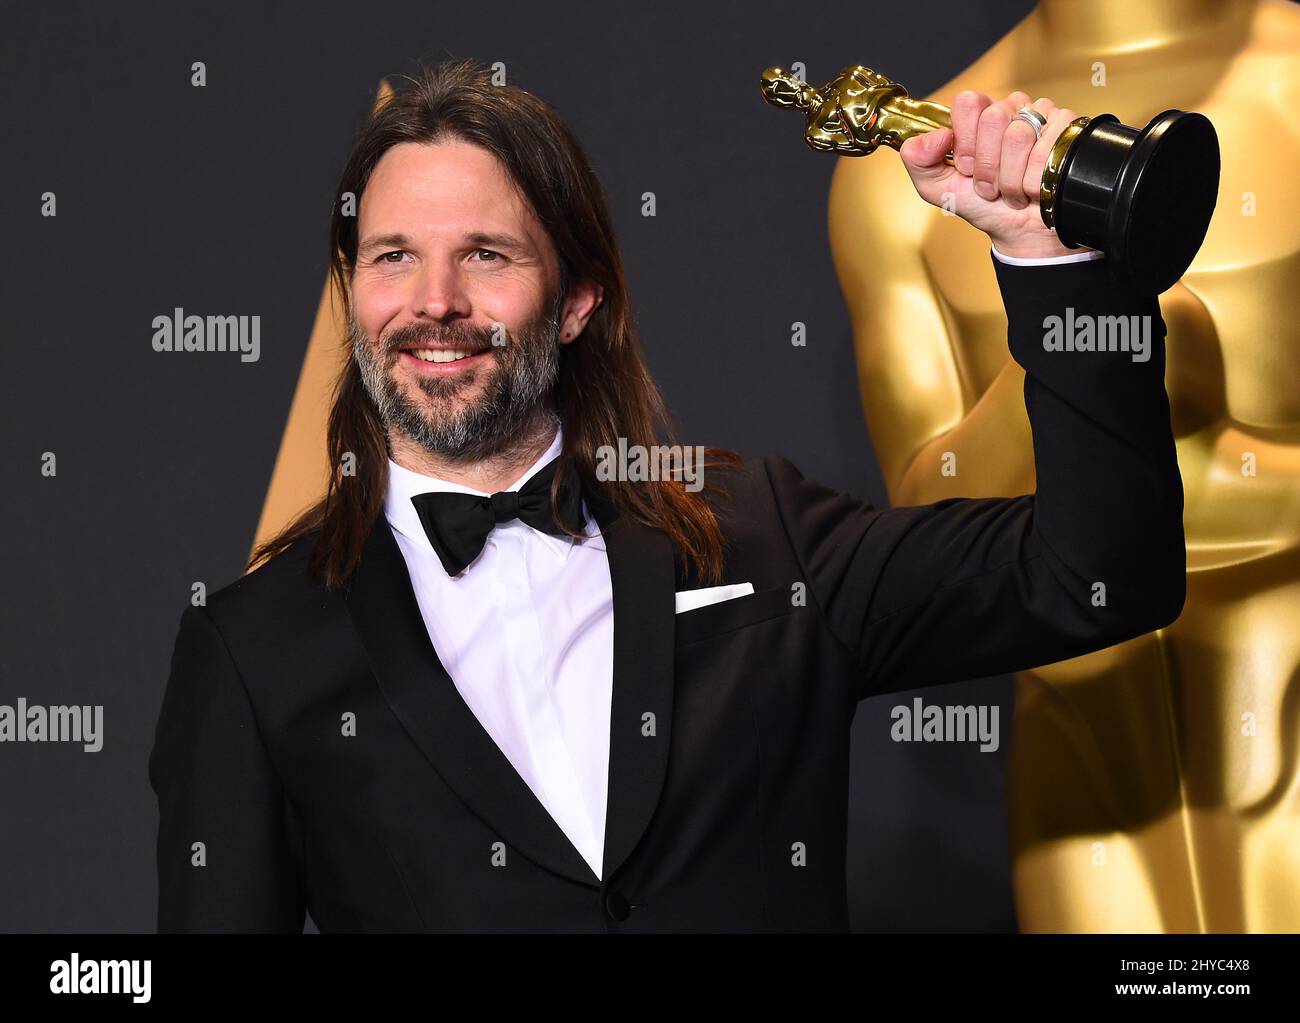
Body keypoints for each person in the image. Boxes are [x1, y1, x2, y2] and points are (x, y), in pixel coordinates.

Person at [148, 57, 1185, 932]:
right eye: (392, 258)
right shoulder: (254, 649)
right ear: (353, 292)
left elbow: (1098, 574)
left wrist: (1050, 262)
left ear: (577, 302)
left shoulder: (760, 539)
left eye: (487, 255)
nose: (434, 303)